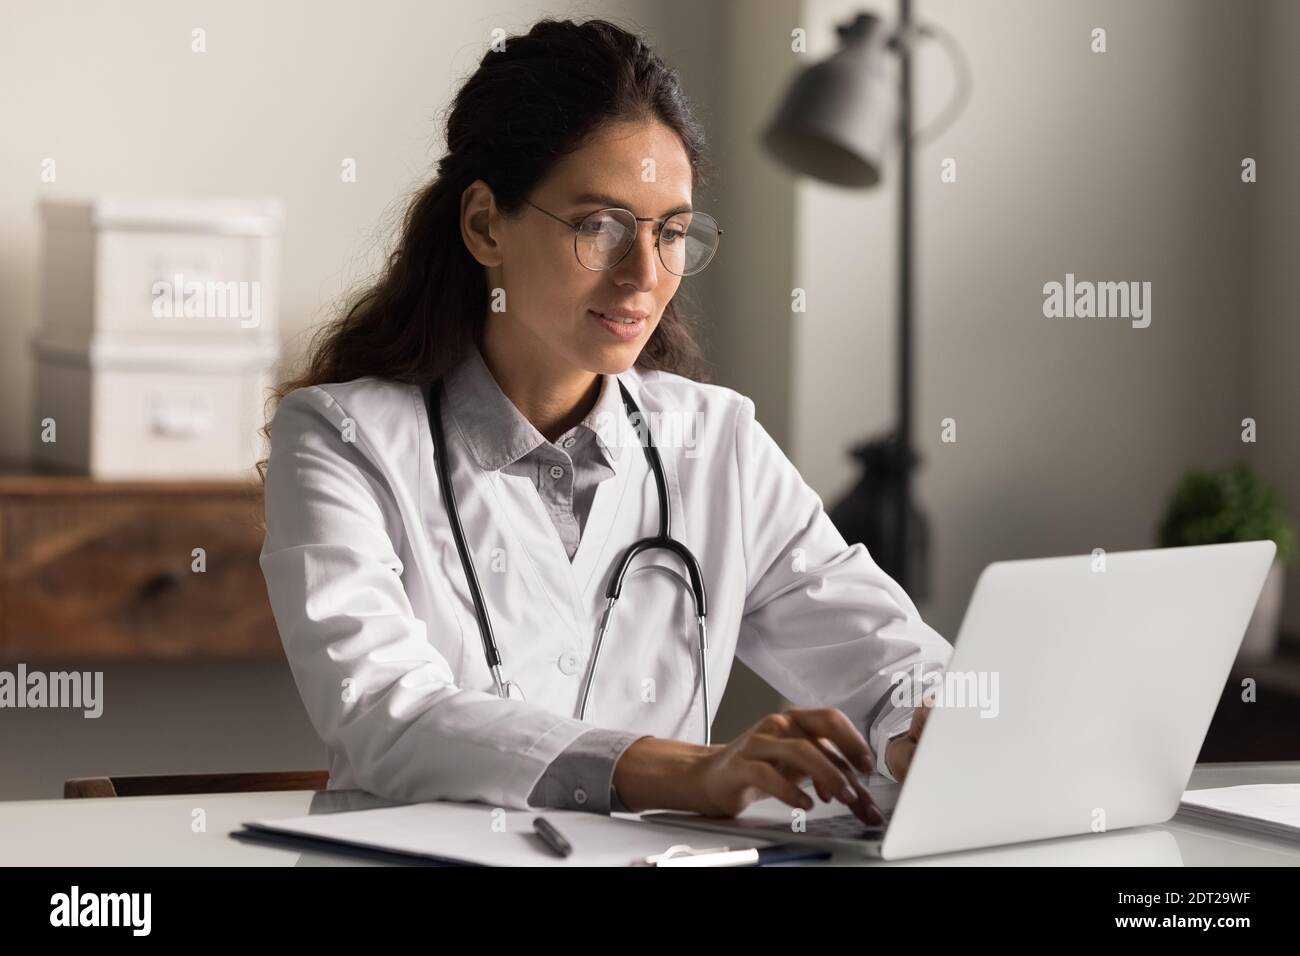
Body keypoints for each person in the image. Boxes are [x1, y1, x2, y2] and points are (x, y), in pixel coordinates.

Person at [258, 17, 951, 826]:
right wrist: (686, 770)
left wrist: (923, 726)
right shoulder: (344, 436)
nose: (646, 276)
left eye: (673, 233)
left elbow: (892, 659)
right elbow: (384, 711)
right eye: (601, 226)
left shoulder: (715, 440)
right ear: (485, 225)